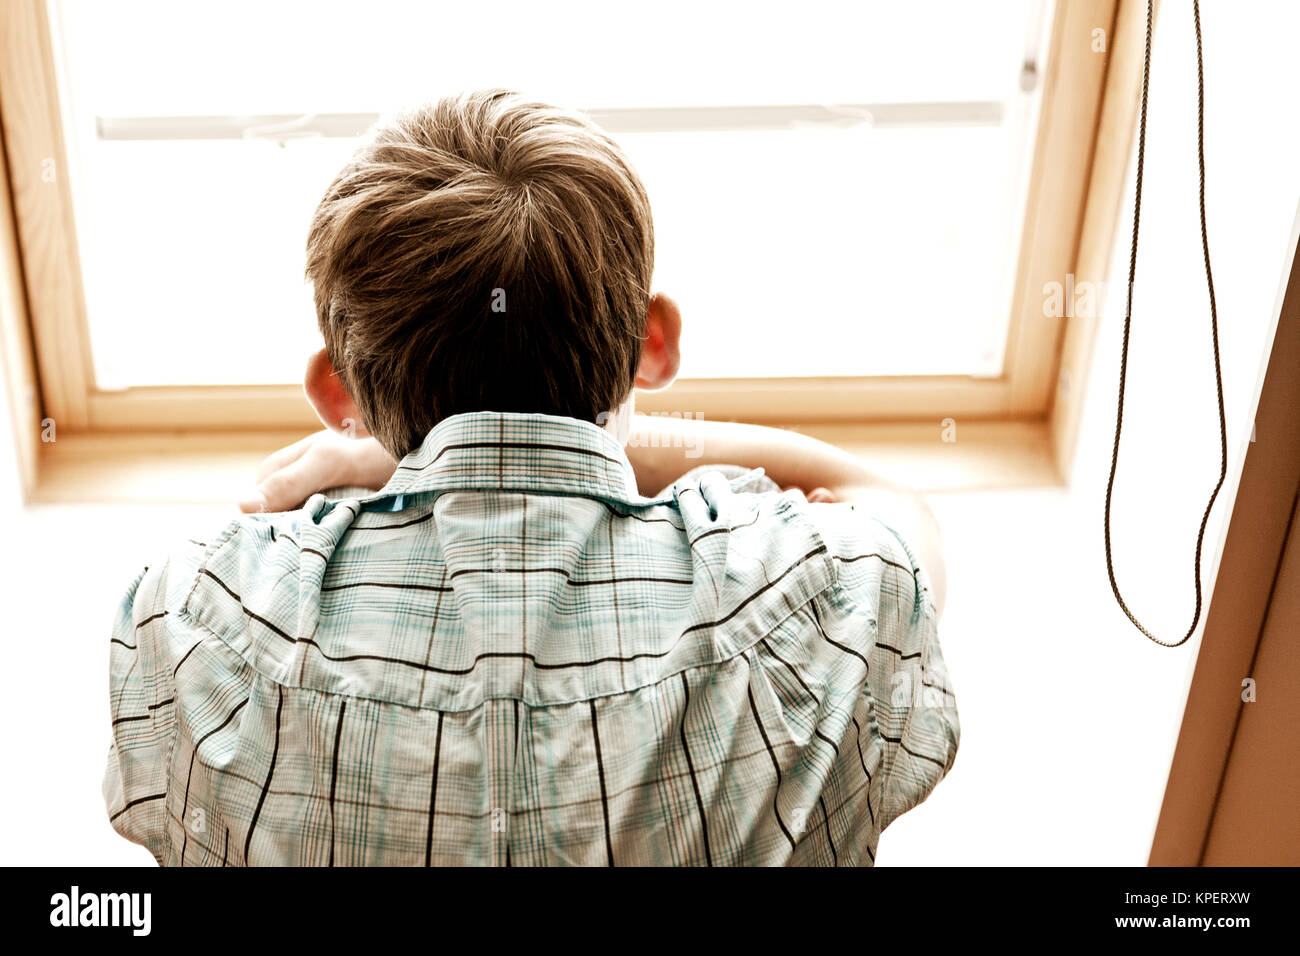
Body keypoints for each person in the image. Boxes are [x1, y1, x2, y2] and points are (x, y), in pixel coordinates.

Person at [104, 89, 958, 866]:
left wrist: (396, 451)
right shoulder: (818, 590)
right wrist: (588, 434)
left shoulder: (191, 610)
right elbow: (891, 501)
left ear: (336, 392)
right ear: (654, 343)